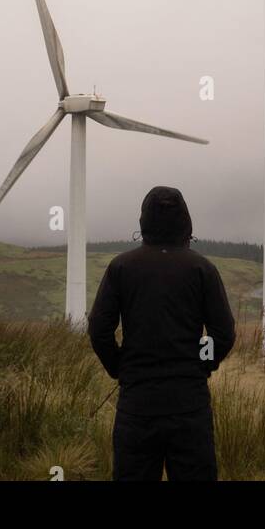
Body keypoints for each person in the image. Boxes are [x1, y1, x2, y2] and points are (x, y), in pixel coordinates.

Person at [88, 184, 236, 481]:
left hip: (138, 404)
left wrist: (120, 367)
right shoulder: (202, 269)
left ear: (144, 220)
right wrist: (203, 363)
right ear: (185, 220)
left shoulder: (121, 267)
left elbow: (99, 329)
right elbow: (222, 333)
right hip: (189, 405)